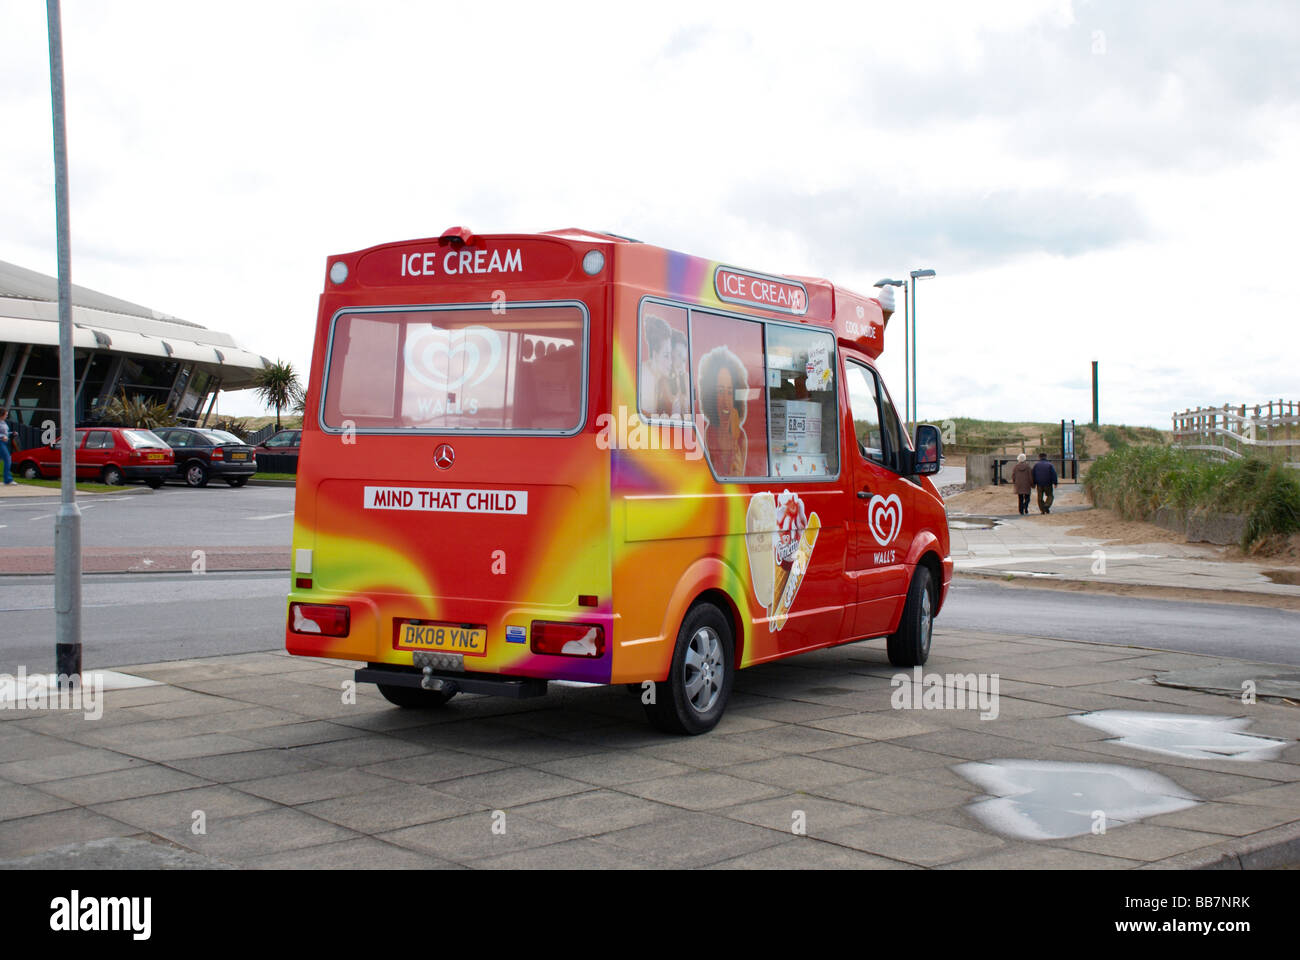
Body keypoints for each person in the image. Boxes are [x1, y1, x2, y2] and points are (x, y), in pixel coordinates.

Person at [697, 345, 749, 476]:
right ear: (712, 396)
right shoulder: (705, 435)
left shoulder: (741, 439)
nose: (725, 401)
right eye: (720, 391)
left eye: (730, 392)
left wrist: (738, 476)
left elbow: (741, 485)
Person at [0, 406, 14, 485]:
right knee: (8, 459)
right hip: (0, 442)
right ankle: (8, 479)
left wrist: (11, 433)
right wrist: (2, 436)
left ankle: (7, 479)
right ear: (1, 415)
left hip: (4, 443)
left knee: (7, 459)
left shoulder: (3, 422)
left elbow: (4, 433)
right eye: (6, 414)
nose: (7, 416)